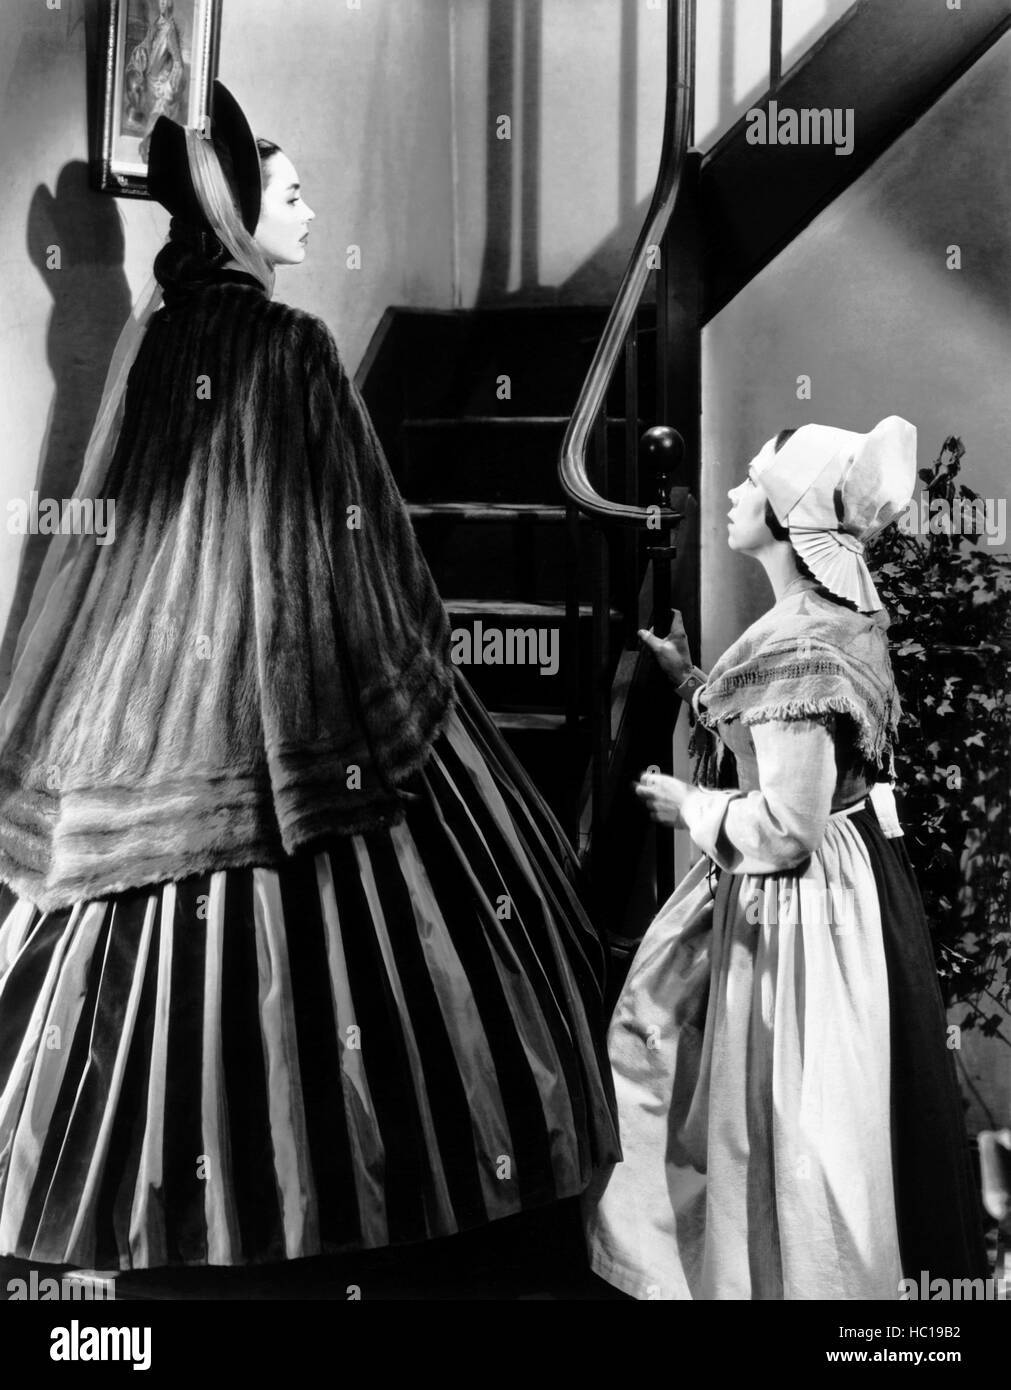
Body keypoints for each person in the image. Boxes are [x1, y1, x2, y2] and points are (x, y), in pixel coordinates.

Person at [0, 82, 619, 1274]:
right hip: (286, 660)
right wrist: (406, 640)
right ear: (237, 213)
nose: (308, 206)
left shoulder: (164, 335)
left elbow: (126, 525)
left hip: (157, 673)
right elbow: (361, 528)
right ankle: (334, 1189)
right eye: (287, 193)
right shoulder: (292, 344)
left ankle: (132, 1189)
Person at [586, 419, 988, 1300]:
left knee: (793, 1119)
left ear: (784, 514)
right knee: (790, 1116)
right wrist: (694, 680)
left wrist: (685, 803)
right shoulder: (831, 618)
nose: (729, 498)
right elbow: (788, 749)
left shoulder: (798, 645)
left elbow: (785, 827)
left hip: (798, 907)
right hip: (837, 890)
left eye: (747, 486)